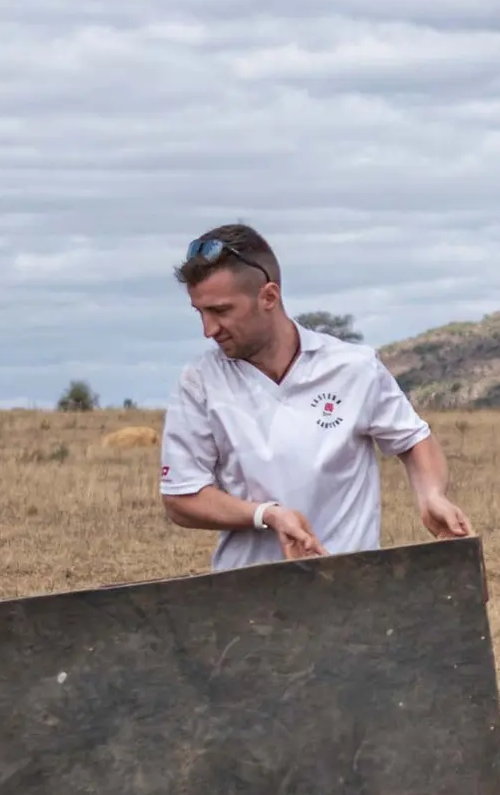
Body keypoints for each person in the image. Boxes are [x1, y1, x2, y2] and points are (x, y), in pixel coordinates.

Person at [161, 224, 474, 565]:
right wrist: (266, 514)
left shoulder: (354, 367)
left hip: (352, 586)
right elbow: (182, 498)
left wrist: (431, 495)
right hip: (246, 597)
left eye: (221, 311)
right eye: (200, 312)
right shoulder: (200, 382)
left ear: (269, 297)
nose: (208, 330)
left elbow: (414, 440)